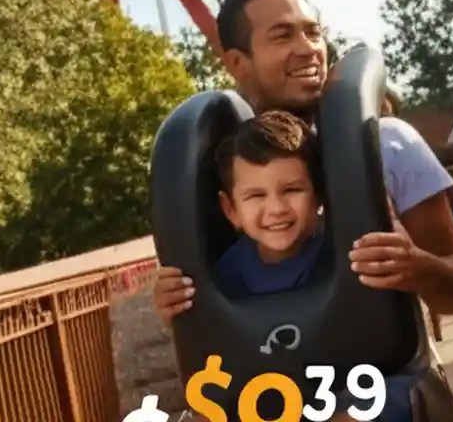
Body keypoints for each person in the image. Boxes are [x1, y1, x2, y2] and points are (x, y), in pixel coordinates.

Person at [153, 0, 453, 367]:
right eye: (283, 36)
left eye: (313, 32)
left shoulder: (388, 145)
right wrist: (179, 303)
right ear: (239, 62)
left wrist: (418, 267)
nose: (307, 49)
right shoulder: (224, 168)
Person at [157, 111, 414, 422]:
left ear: (319, 194)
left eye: (291, 190)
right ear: (231, 210)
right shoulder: (224, 276)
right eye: (255, 196)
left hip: (351, 388)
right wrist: (173, 305)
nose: (276, 209)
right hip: (271, 397)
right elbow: (210, 345)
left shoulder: (346, 250)